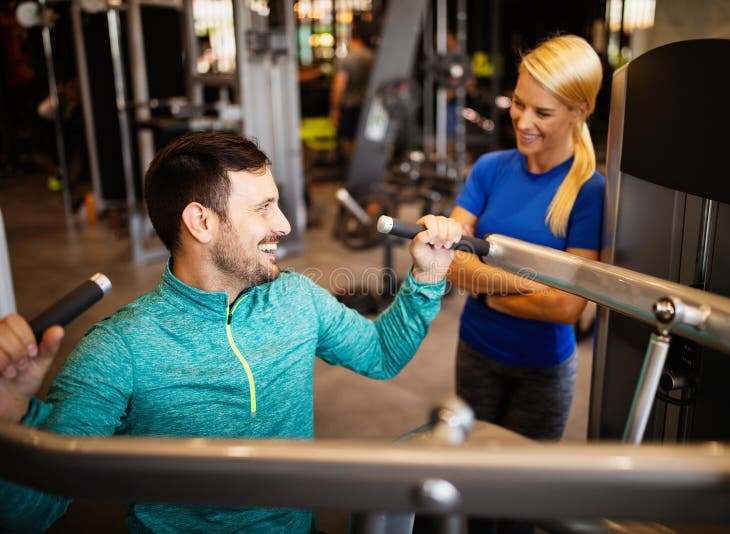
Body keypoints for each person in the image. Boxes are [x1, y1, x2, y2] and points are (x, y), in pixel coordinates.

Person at [0, 131, 462, 532]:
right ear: (201, 221)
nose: (283, 225)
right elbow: (28, 513)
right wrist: (10, 422)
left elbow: (381, 354)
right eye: (264, 208)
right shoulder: (120, 349)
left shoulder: (296, 298)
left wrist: (426, 277)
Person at [447, 34, 604, 443]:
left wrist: (480, 282)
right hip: (476, 351)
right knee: (471, 483)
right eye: (519, 103)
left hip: (543, 370)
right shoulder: (489, 168)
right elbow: (447, 261)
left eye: (543, 112)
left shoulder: (589, 191)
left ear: (578, 111)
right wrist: (525, 284)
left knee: (520, 499)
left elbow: (567, 306)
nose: (523, 121)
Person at [328, 17, 375, 161]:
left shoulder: (347, 59)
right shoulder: (373, 57)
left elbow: (339, 87)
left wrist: (334, 110)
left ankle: (354, 171)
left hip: (350, 106)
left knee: (348, 140)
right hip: (369, 106)